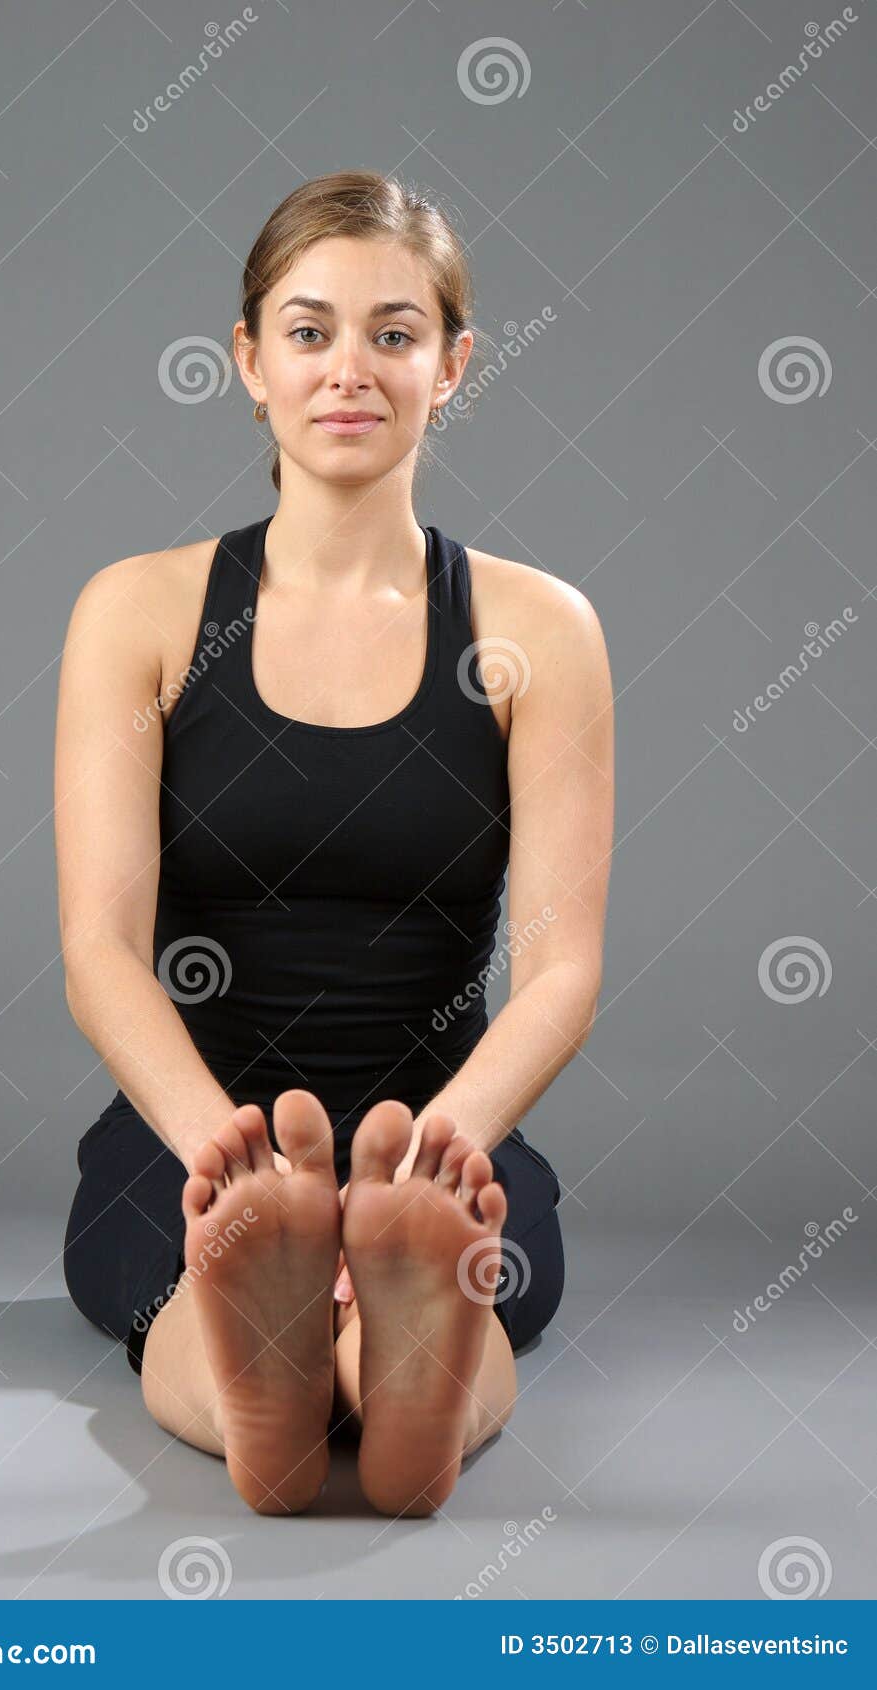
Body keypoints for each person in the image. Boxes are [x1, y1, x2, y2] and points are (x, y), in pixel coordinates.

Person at [57, 170, 613, 1519]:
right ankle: (285, 1345)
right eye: (307, 331)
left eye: (393, 332)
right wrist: (224, 1163)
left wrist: (436, 1159)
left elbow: (555, 970)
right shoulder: (140, 611)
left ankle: (387, 1357)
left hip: (439, 1129)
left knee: (458, 1263)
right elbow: (101, 951)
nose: (347, 368)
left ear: (452, 363)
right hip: (191, 1132)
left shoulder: (538, 631)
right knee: (221, 1257)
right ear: (248, 362)